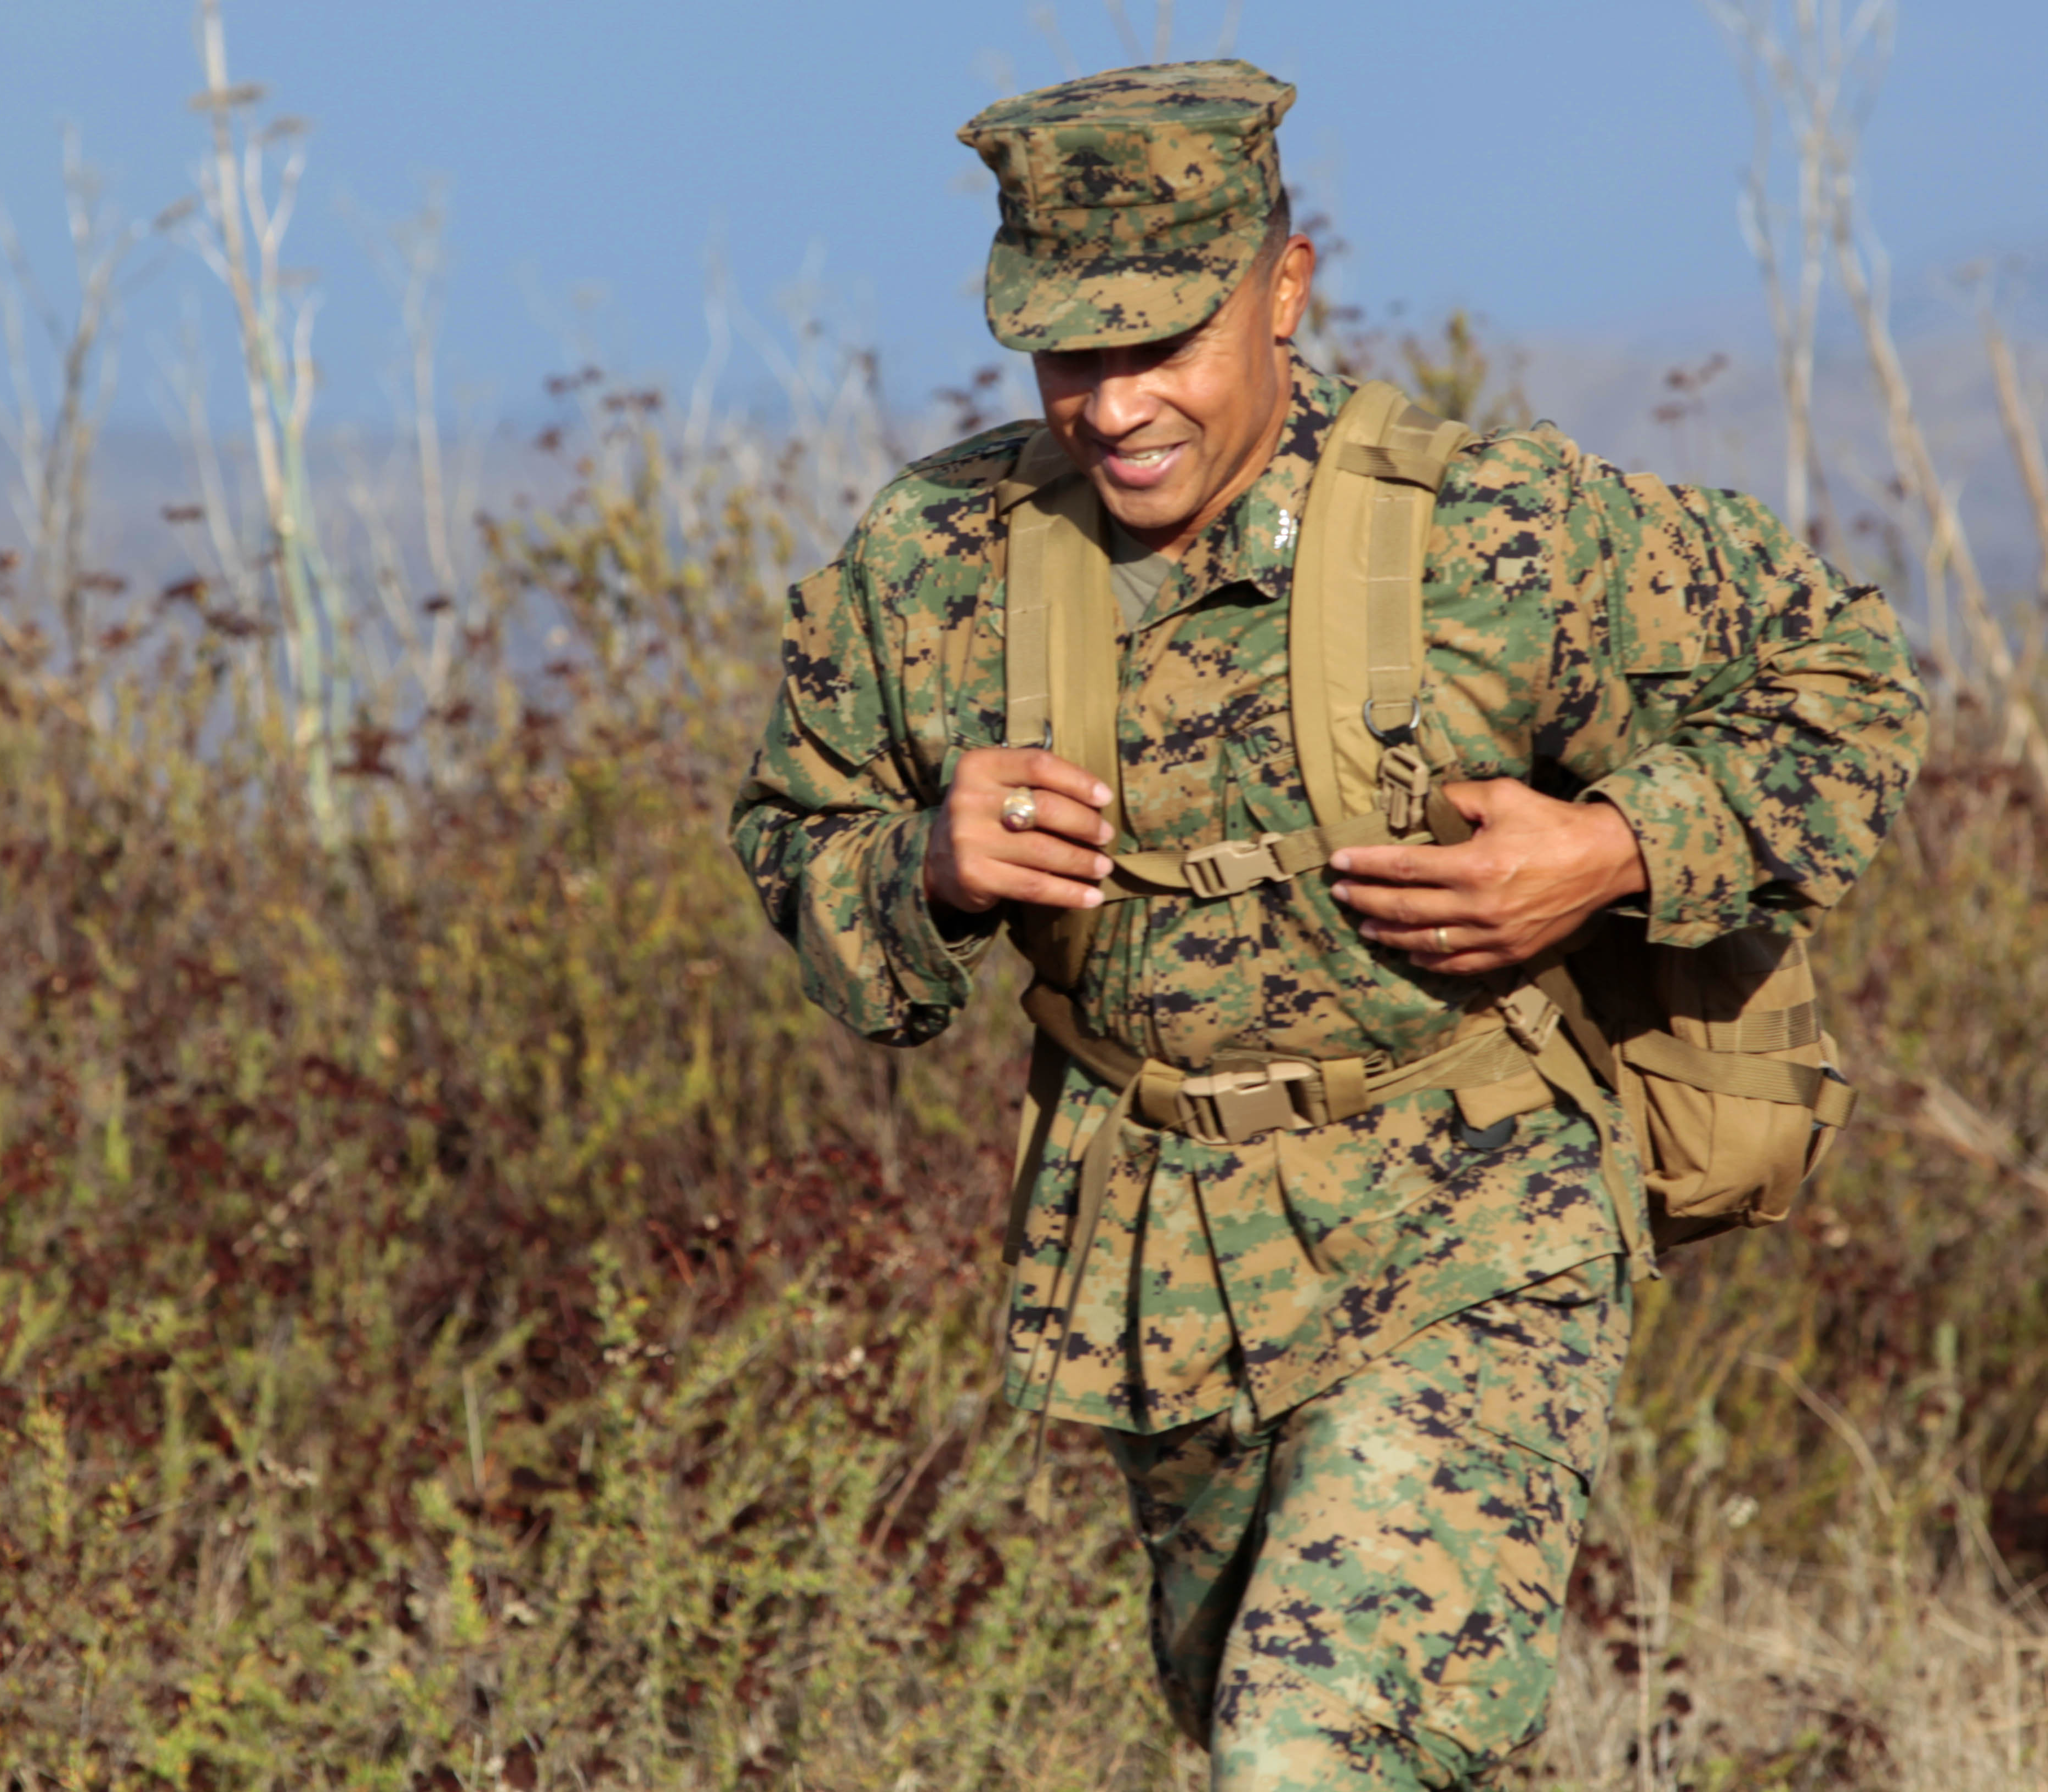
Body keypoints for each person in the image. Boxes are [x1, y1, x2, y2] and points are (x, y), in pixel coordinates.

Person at [727, 59, 1926, 1791]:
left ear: (1286, 292)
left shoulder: (1497, 533)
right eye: (1070, 354)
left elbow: (1846, 680)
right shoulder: (937, 563)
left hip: (1479, 1229)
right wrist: (923, 865)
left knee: (1309, 1748)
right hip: (1156, 1267)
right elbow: (792, 832)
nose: (1114, 405)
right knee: (1291, 1729)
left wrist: (1607, 849)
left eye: (1162, 346)